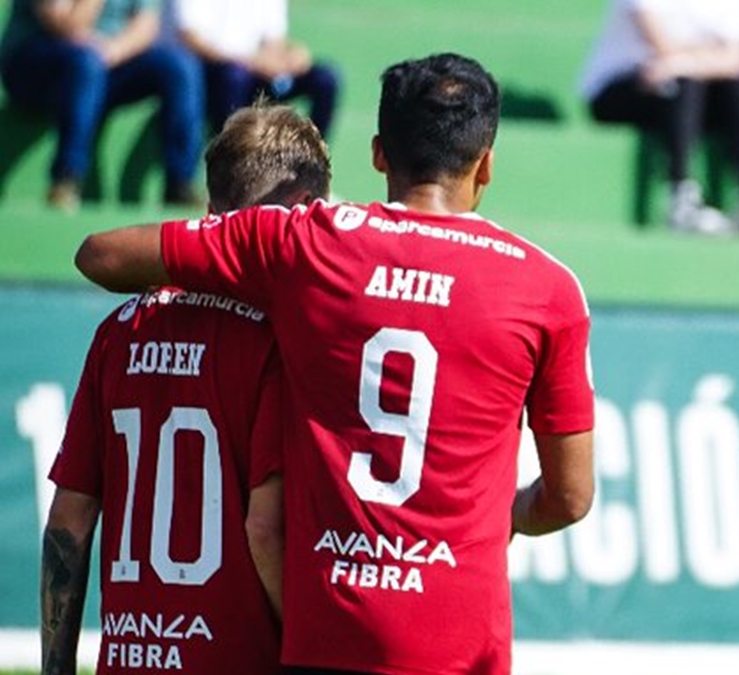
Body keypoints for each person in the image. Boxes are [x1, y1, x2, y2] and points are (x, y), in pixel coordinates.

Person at [75, 52, 596, 675]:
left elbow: (100, 256)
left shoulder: (307, 241)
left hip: (331, 632)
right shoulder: (546, 287)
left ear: (378, 153)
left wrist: (230, 241)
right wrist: (502, 516)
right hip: (459, 644)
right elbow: (569, 497)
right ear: (486, 163)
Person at [41, 103, 332, 675]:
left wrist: (56, 668)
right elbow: (266, 532)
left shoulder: (119, 332)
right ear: (307, 212)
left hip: (128, 659)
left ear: (209, 206)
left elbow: (68, 521)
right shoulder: (276, 339)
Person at [579, 0, 739, 236]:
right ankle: (680, 196)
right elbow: (663, 48)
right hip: (620, 89)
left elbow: (737, 62)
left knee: (738, 89)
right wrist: (704, 58)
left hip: (683, 88)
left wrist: (688, 62)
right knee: (685, 83)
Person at [0, 0, 205, 211]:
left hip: (105, 61)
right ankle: (66, 179)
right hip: (35, 63)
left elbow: (146, 26)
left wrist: (113, 49)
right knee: (86, 64)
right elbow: (63, 24)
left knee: (180, 67)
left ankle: (180, 184)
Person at [169, 0, 340, 139]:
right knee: (234, 76)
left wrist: (291, 56)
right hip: (214, 73)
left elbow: (274, 41)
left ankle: (312, 165)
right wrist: (251, 62)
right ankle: (230, 157)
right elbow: (189, 36)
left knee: (324, 79)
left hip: (255, 72)